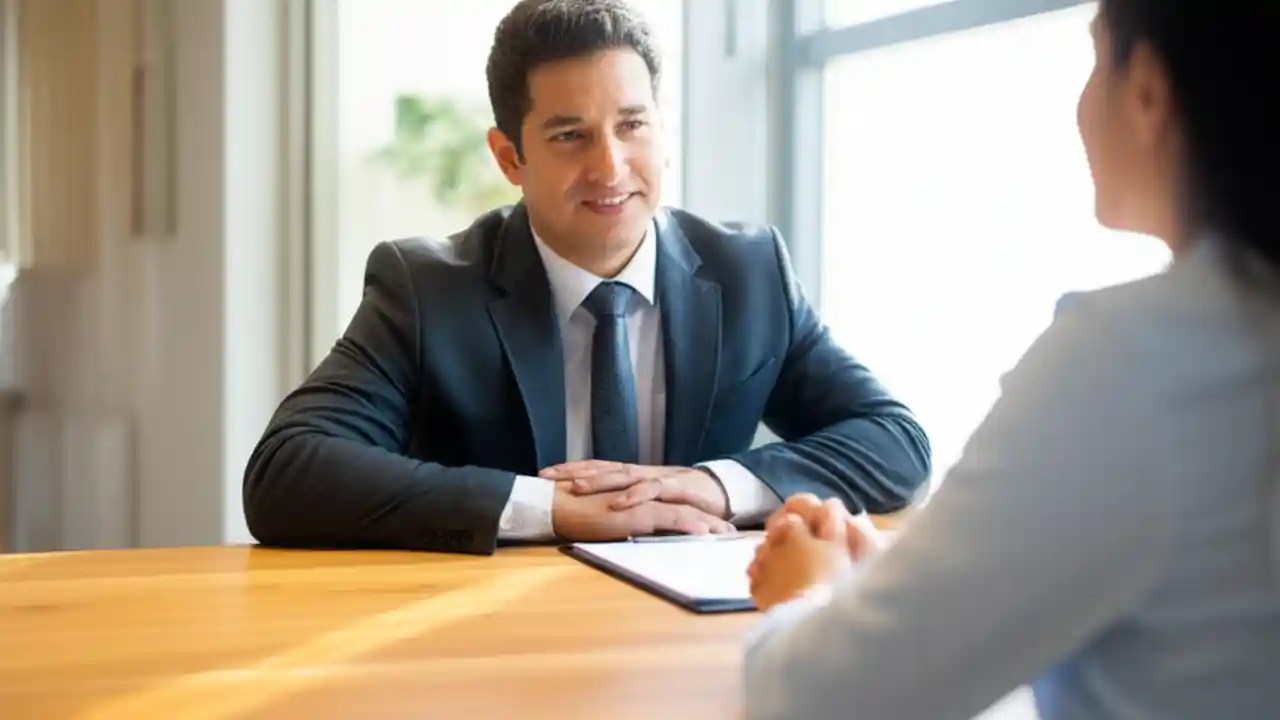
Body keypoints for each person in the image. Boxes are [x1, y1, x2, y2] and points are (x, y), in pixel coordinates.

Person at [744, 1, 1280, 718]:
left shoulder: (1130, 363)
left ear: (1147, 89)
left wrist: (811, 595)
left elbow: (815, 699)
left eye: (1095, 60)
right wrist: (918, 594)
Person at [242, 0, 931, 555]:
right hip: (498, 639)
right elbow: (287, 472)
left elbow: (894, 441)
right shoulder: (426, 289)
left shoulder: (749, 273)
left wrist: (712, 487)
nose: (610, 167)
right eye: (570, 135)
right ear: (510, 157)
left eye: (632, 125)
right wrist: (552, 510)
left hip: (694, 631)